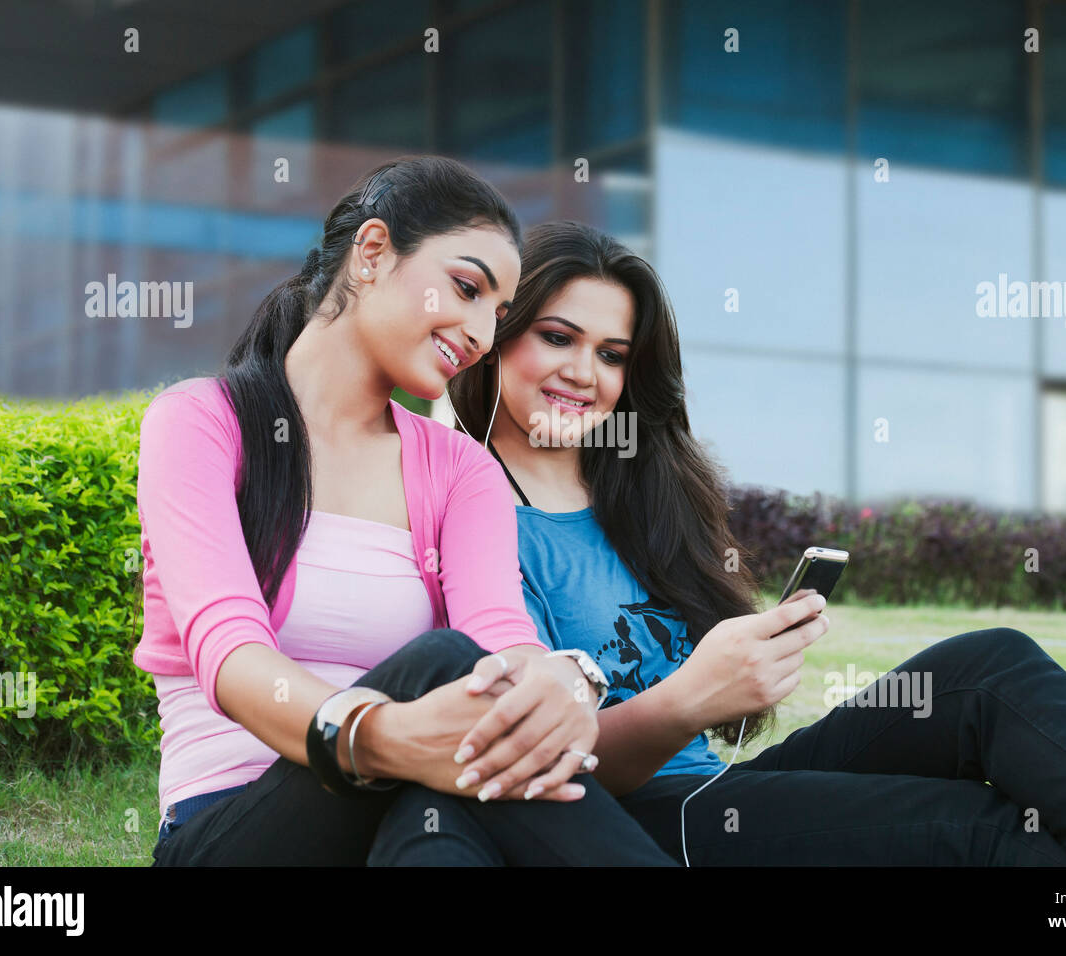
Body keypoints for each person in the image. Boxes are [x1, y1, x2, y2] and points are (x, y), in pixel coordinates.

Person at [438, 219, 1066, 866]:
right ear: (501, 335)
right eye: (558, 337)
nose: (586, 372)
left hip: (722, 798)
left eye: (612, 355)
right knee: (982, 829)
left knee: (993, 667)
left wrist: (752, 661)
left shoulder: (640, 493)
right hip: (634, 829)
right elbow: (541, 766)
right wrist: (690, 698)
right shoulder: (477, 511)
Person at [136, 158, 676, 866]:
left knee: (442, 812)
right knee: (445, 667)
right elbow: (232, 657)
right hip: (235, 828)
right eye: (466, 287)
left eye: (499, 314)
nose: (482, 333)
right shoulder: (202, 422)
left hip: (404, 806)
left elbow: (506, 644)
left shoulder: (461, 471)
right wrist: (382, 736)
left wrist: (567, 679)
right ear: (372, 253)